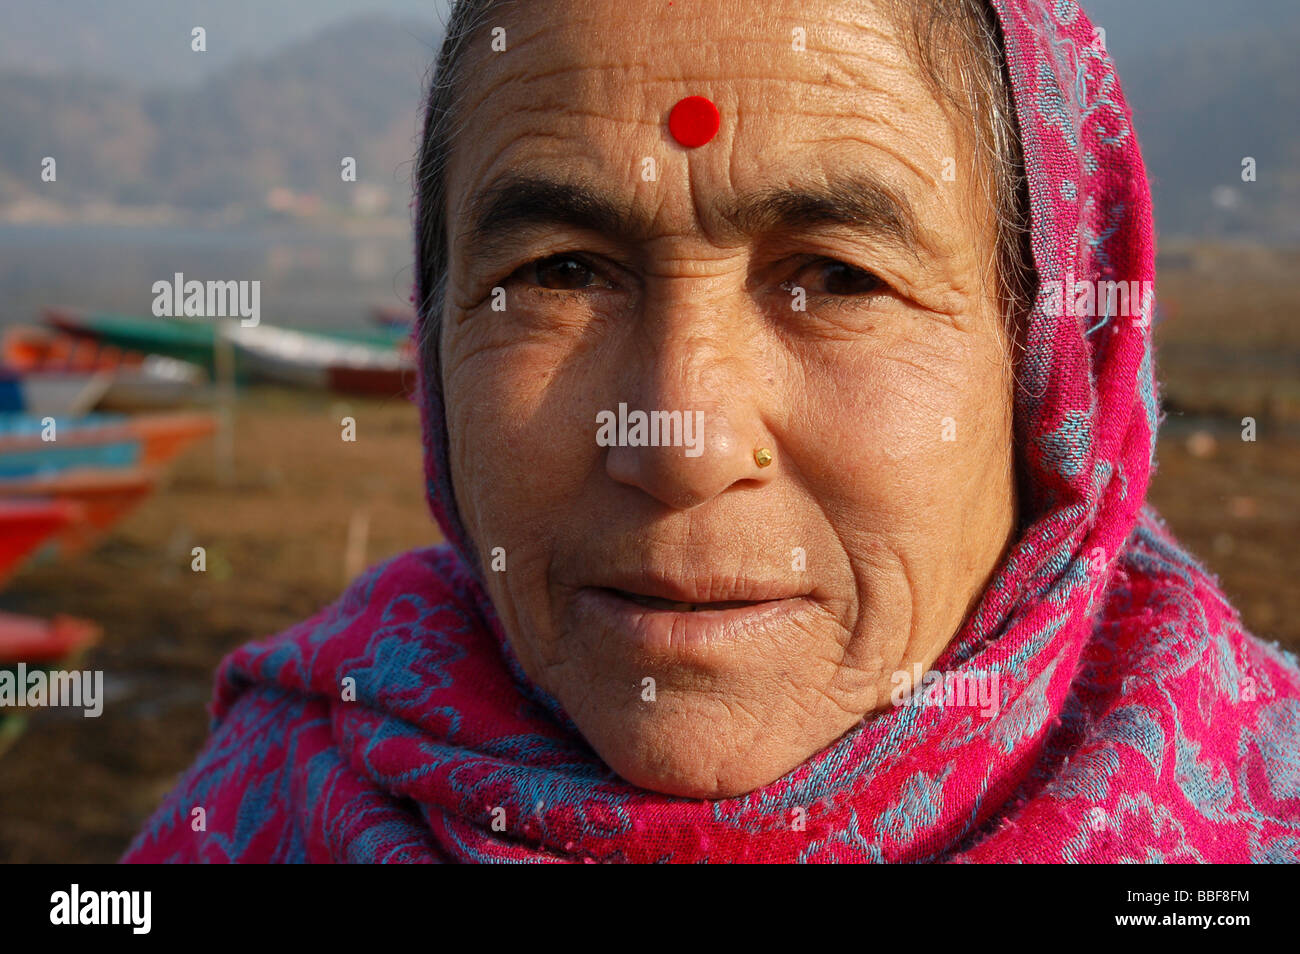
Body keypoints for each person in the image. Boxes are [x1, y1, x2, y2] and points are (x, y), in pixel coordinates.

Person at [123, 0, 1300, 863]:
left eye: (836, 278)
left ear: (1052, 377)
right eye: (562, 270)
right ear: (435, 340)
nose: (678, 440)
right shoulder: (261, 814)